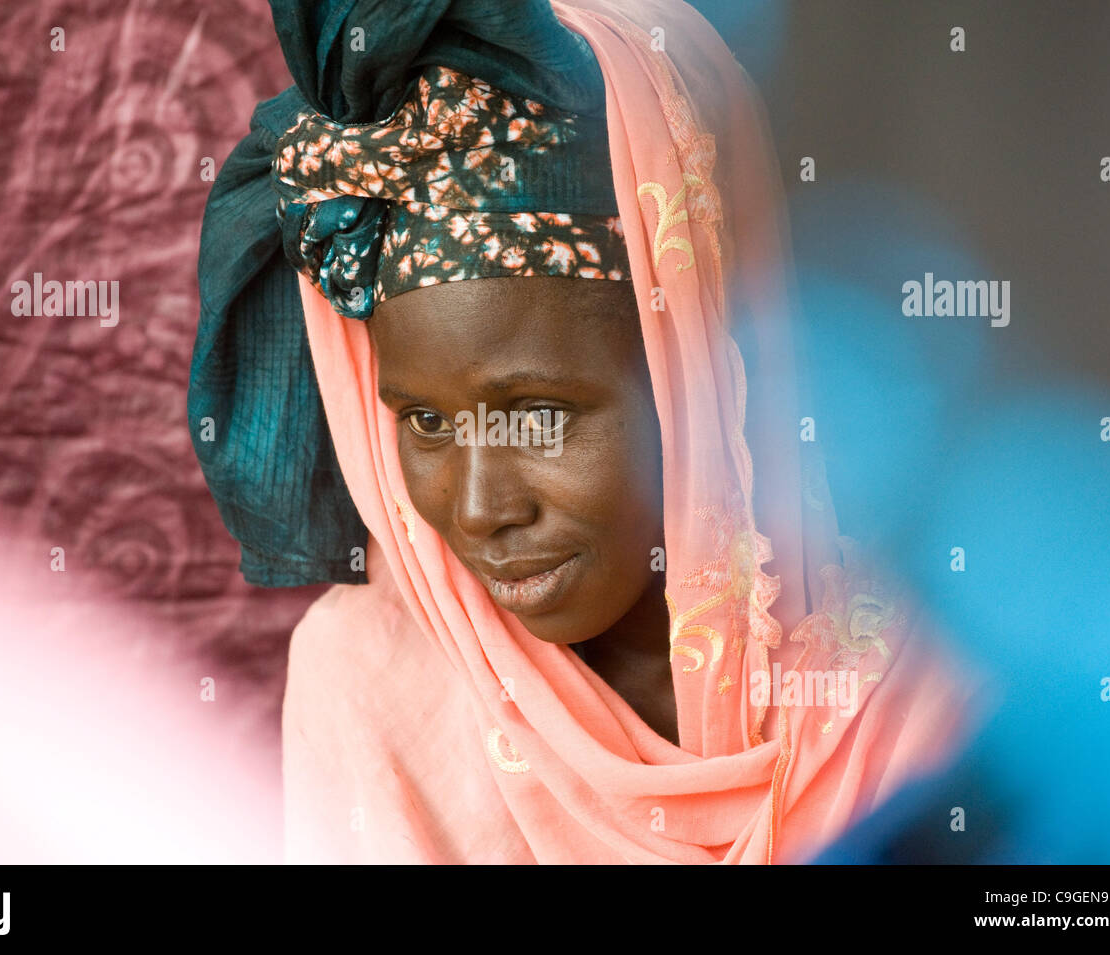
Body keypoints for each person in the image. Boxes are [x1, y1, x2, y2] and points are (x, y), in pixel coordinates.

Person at [189, 0, 974, 863]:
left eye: (539, 416)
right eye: (423, 420)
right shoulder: (372, 684)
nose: (483, 509)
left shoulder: (918, 675)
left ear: (696, 374)